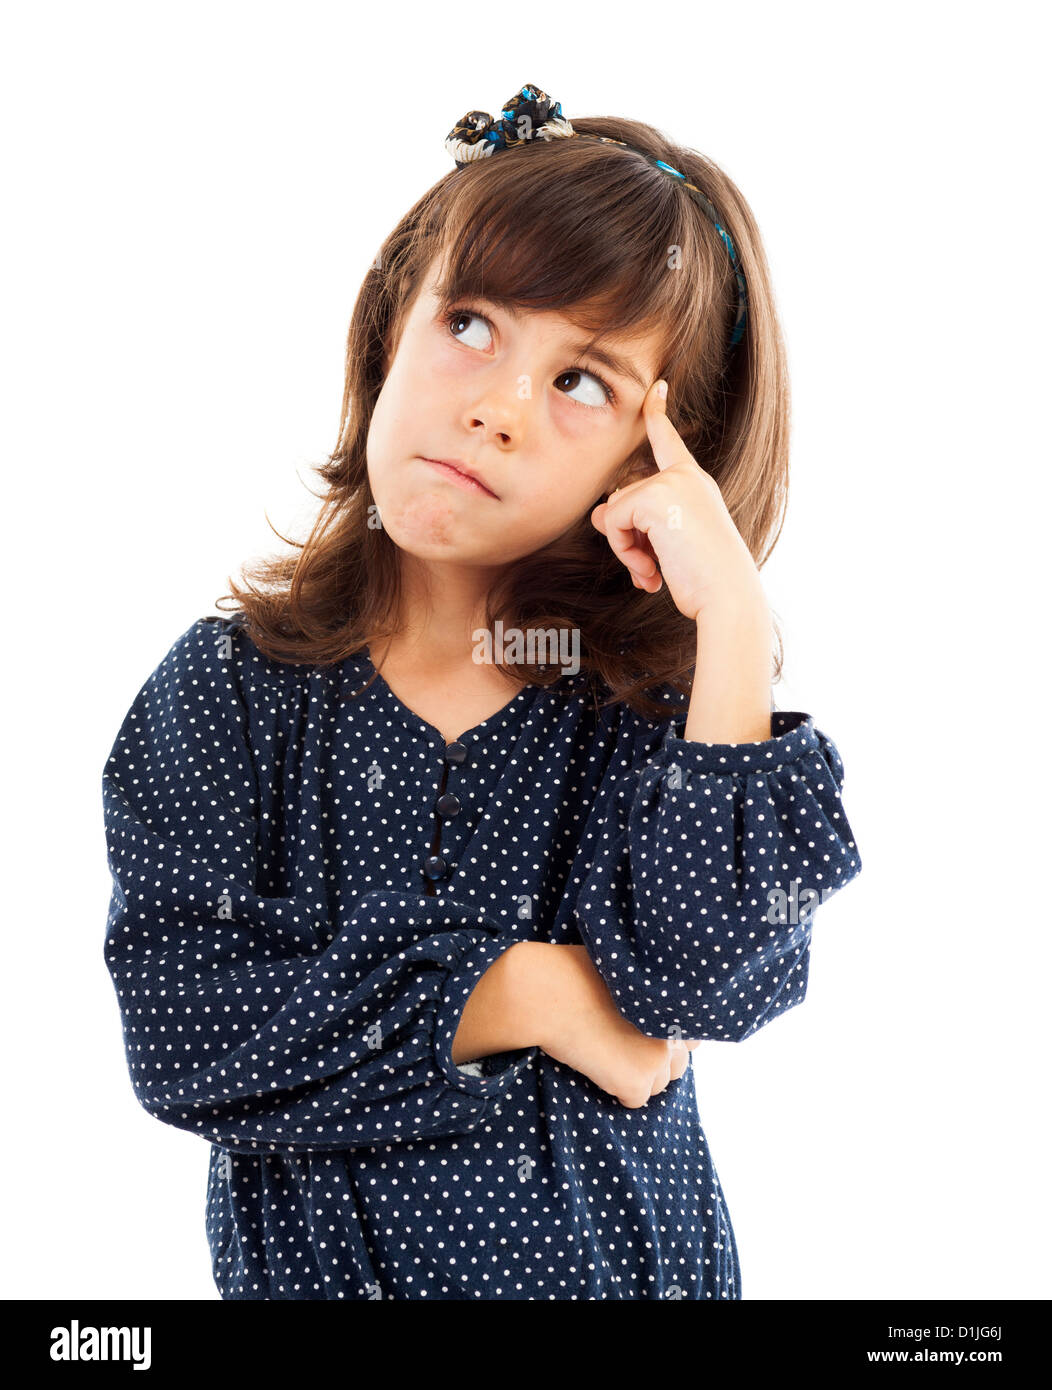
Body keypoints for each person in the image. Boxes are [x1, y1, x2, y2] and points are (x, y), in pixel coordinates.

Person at [101, 83, 863, 1301]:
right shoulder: (229, 696)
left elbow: (706, 984)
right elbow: (187, 1031)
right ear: (390, 322)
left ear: (653, 457)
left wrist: (729, 621)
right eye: (470, 323)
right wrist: (522, 991)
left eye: (583, 384)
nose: (497, 407)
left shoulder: (633, 715)